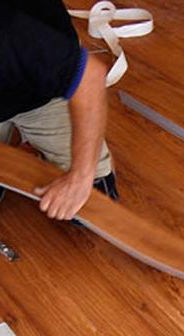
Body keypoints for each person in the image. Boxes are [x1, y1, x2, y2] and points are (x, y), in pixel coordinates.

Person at [0, 0, 118, 220]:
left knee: (93, 204)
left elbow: (90, 78)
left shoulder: (11, 29)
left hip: (42, 90)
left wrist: (80, 178)